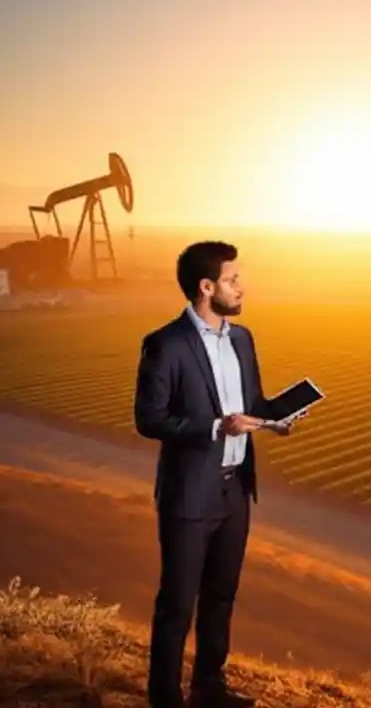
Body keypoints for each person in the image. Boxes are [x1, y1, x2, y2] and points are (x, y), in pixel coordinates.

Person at [134, 241, 301, 707]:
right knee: (177, 605)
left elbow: (254, 405)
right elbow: (149, 419)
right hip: (189, 496)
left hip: (235, 491)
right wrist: (214, 426)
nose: (241, 286)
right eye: (232, 279)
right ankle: (164, 700)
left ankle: (209, 688)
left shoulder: (242, 339)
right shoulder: (165, 344)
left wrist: (275, 418)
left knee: (221, 595)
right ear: (207, 288)